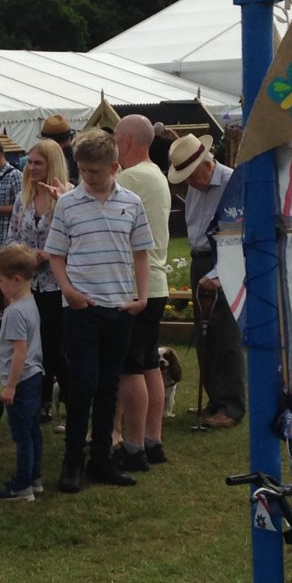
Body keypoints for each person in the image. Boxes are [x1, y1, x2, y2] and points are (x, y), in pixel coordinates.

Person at [46, 129, 152, 493]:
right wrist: (69, 291)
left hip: (120, 306)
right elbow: (55, 254)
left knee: (110, 385)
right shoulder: (68, 204)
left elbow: (142, 253)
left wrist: (142, 296)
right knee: (83, 383)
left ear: (114, 167)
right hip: (82, 307)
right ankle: (72, 460)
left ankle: (102, 458)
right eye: (83, 171)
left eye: (95, 171)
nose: (87, 178)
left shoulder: (132, 203)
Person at [167, 133, 245, 429]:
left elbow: (239, 234)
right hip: (200, 259)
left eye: (191, 175)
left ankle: (231, 405)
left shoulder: (231, 184)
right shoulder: (197, 185)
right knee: (205, 337)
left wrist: (220, 275)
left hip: (221, 260)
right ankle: (215, 398)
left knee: (225, 336)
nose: (189, 183)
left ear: (207, 165)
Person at [110, 115, 171, 472]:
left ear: (128, 141)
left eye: (116, 139)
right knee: (148, 363)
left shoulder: (131, 178)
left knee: (131, 367)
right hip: (156, 282)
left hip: (137, 286)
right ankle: (152, 440)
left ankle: (133, 447)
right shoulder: (156, 174)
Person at [10, 138, 72, 421]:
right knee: (32, 344)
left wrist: (50, 254)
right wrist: (22, 255)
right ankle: (42, 399)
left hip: (56, 284)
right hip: (28, 284)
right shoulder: (23, 197)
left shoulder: (67, 199)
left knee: (55, 346)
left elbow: (78, 240)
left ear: (52, 165)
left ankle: (72, 399)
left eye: (38, 163)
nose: (31, 168)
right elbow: (12, 236)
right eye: (30, 162)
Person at [0, 243, 44, 502]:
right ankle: (34, 477)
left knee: (22, 434)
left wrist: (10, 386)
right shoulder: (31, 303)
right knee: (33, 430)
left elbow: (19, 352)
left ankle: (22, 486)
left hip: (21, 382)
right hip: (34, 377)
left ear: (16, 279)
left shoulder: (13, 313)